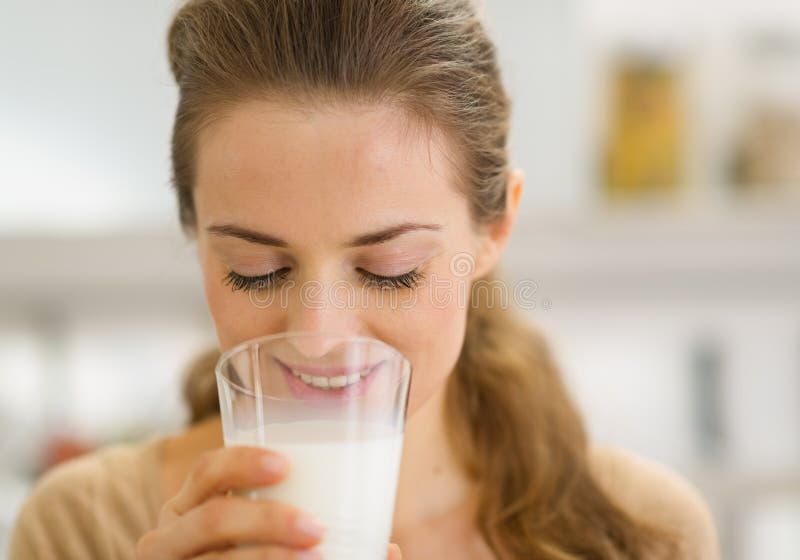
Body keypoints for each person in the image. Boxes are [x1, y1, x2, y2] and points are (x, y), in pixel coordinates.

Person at [8, 1, 720, 559]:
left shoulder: (643, 534)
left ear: (494, 228)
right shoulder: (85, 532)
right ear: (196, 237)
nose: (318, 339)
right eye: (256, 272)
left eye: (390, 271)